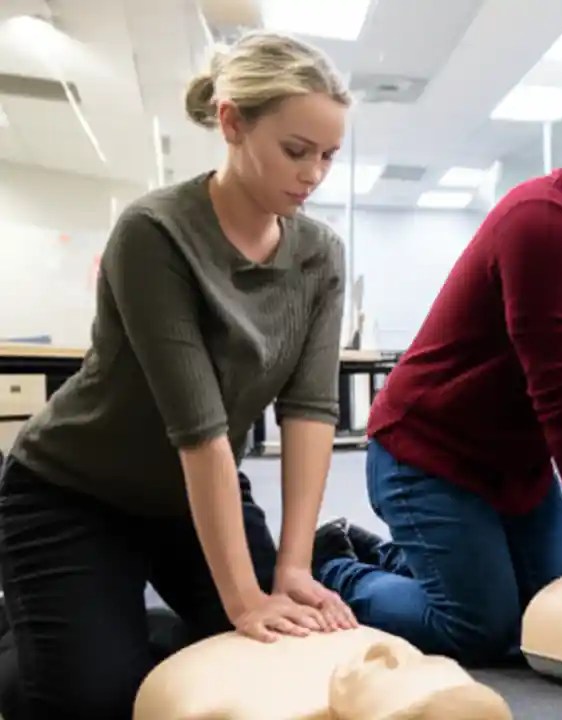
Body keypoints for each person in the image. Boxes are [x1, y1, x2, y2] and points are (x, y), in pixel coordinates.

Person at [0, 31, 357, 719]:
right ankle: (34, 618)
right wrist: (242, 600)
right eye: (295, 150)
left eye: (328, 156)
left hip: (192, 502)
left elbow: (311, 411)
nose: (313, 174)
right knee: (95, 700)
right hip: (73, 494)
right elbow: (200, 432)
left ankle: (111, 628)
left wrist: (291, 568)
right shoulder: (155, 232)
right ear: (232, 123)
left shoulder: (320, 255)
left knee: (286, 655)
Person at [311, 80, 562, 666]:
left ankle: (419, 564)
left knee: (545, 612)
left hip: (515, 469)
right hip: (427, 456)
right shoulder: (542, 221)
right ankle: (335, 565)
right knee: (480, 629)